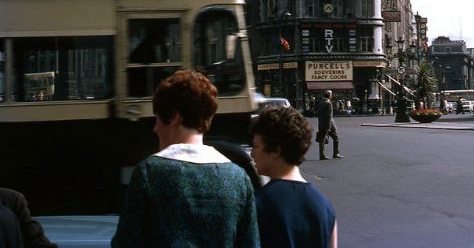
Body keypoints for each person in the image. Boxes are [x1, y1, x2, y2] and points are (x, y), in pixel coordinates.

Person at [112, 70, 258, 247]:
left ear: (174, 117)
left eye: (157, 118)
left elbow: (126, 242)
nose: (155, 128)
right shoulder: (239, 178)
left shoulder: (149, 172)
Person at [250, 107, 337, 248]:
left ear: (276, 151)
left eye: (255, 146)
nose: (252, 154)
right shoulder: (325, 206)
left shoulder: (257, 203)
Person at [316, 90, 342, 160]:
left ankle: (322, 155)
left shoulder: (320, 102)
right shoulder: (328, 103)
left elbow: (318, 114)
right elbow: (329, 116)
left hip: (321, 123)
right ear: (329, 95)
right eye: (331, 94)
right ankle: (335, 153)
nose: (332, 95)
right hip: (329, 124)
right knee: (336, 138)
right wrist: (328, 127)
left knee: (322, 140)